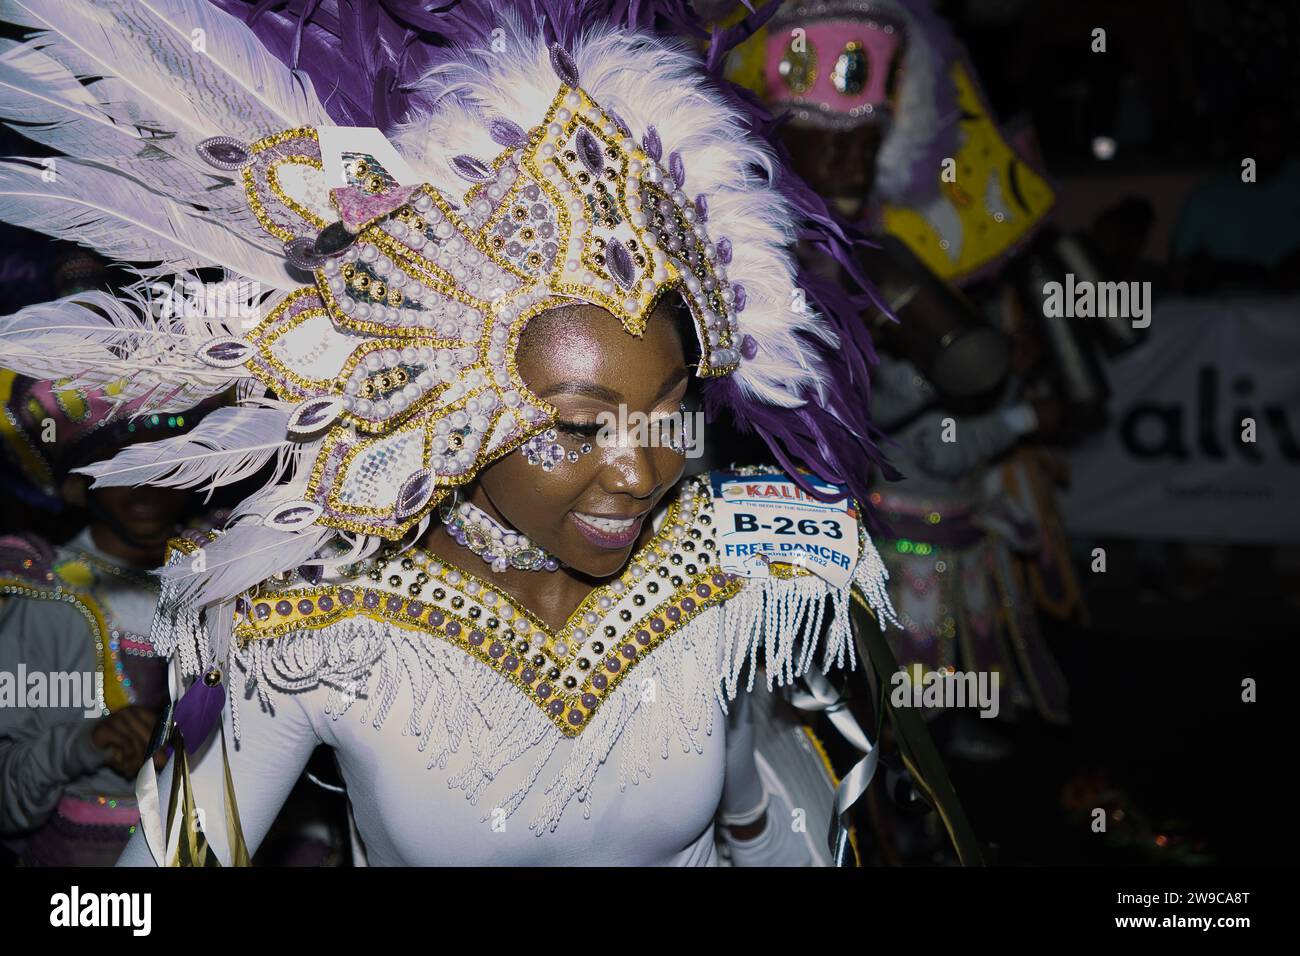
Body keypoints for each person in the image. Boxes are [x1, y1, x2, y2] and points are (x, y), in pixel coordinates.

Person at [0, 0, 905, 866]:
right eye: (577, 429)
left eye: (666, 410)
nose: (639, 471)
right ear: (448, 407)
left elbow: (759, 824)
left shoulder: (732, 577)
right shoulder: (315, 631)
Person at [725, 0, 1073, 733]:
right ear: (784, 144)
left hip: (862, 533)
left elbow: (964, 373)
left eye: (868, 142)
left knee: (864, 720)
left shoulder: (879, 255)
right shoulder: (725, 241)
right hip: (742, 542)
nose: (856, 163)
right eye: (834, 142)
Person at [0, 372, 209, 866]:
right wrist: (85, 743)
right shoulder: (45, 600)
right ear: (78, 487)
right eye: (121, 467)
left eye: (165, 462)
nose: (147, 484)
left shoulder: (224, 576)